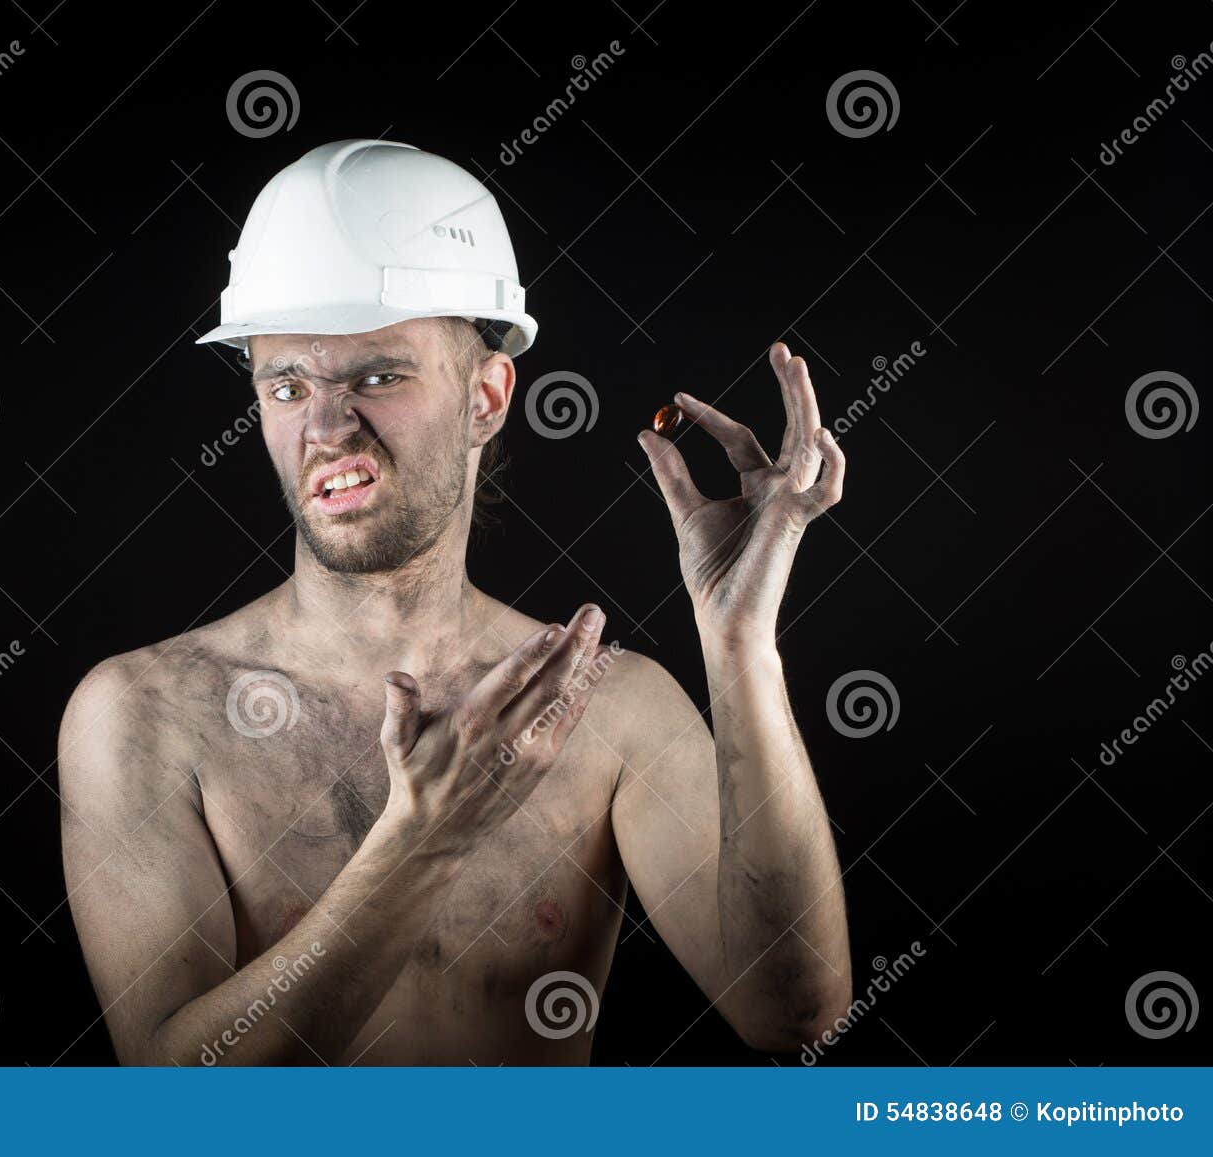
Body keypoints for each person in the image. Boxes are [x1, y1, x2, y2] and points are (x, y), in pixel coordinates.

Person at [58, 139, 851, 1064]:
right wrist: (421, 842)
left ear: (486, 395)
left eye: (379, 377)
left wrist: (741, 644)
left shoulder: (610, 708)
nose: (324, 427)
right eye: (287, 385)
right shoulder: (143, 715)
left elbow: (794, 1013)